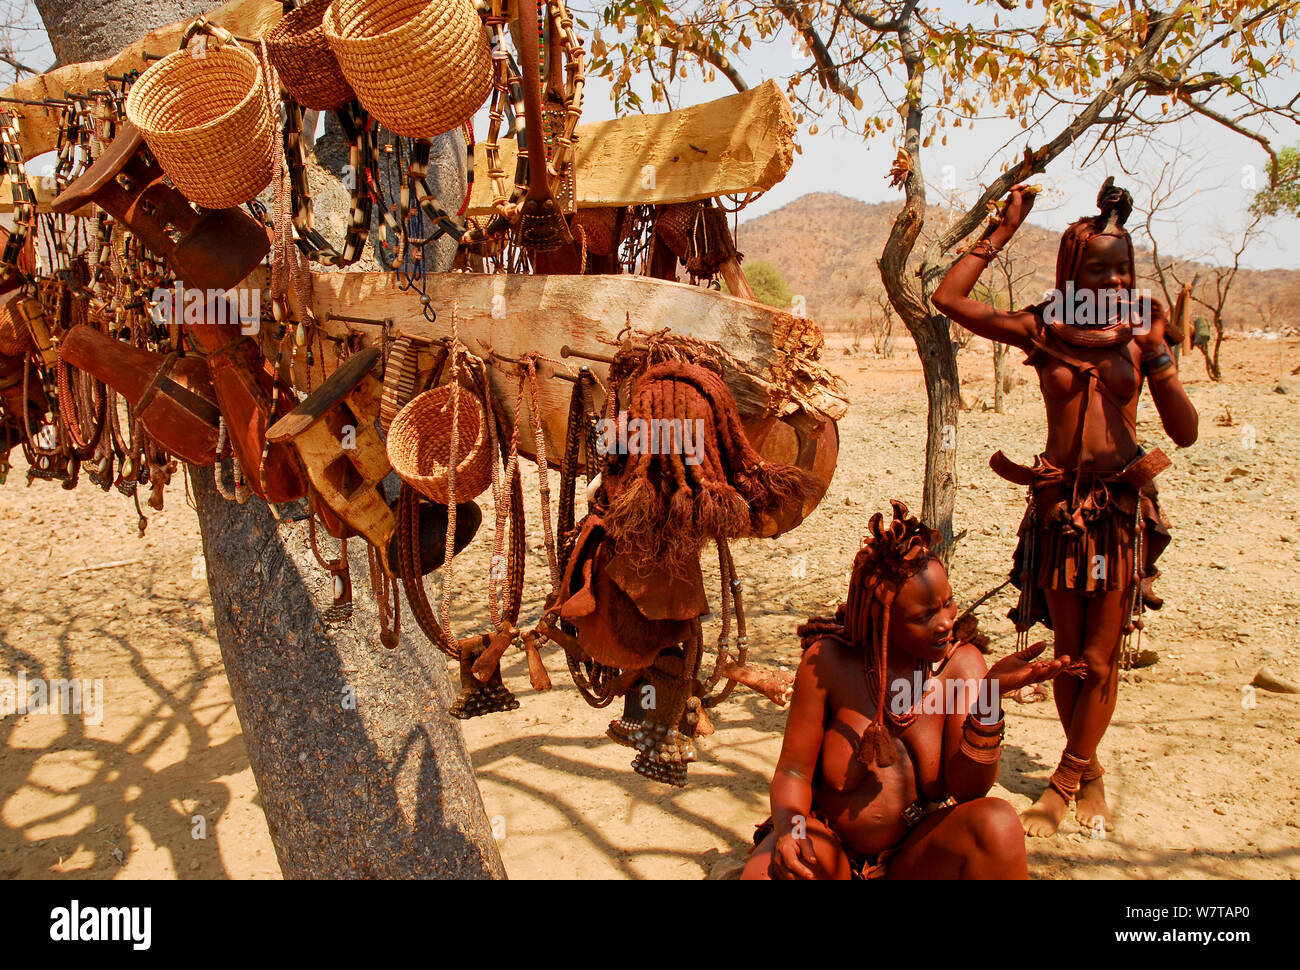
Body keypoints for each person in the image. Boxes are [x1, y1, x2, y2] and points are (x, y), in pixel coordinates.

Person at [930, 179, 1198, 837]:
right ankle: (1091, 770)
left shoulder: (1141, 335)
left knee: (1102, 658)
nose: (1114, 280)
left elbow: (1186, 431)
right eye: (1100, 268)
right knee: (1071, 655)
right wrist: (1004, 223)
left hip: (1118, 513)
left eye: (1124, 268)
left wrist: (1160, 356)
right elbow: (947, 298)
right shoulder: (1042, 328)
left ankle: (1065, 780)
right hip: (1057, 510)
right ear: (1073, 269)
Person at [742, 501, 1075, 879]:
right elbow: (794, 772)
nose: (945, 623)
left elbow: (970, 792)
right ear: (882, 621)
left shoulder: (960, 667)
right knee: (767, 871)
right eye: (923, 617)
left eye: (947, 603)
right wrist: (792, 831)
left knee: (997, 823)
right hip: (829, 845)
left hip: (915, 858)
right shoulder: (830, 663)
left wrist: (988, 701)